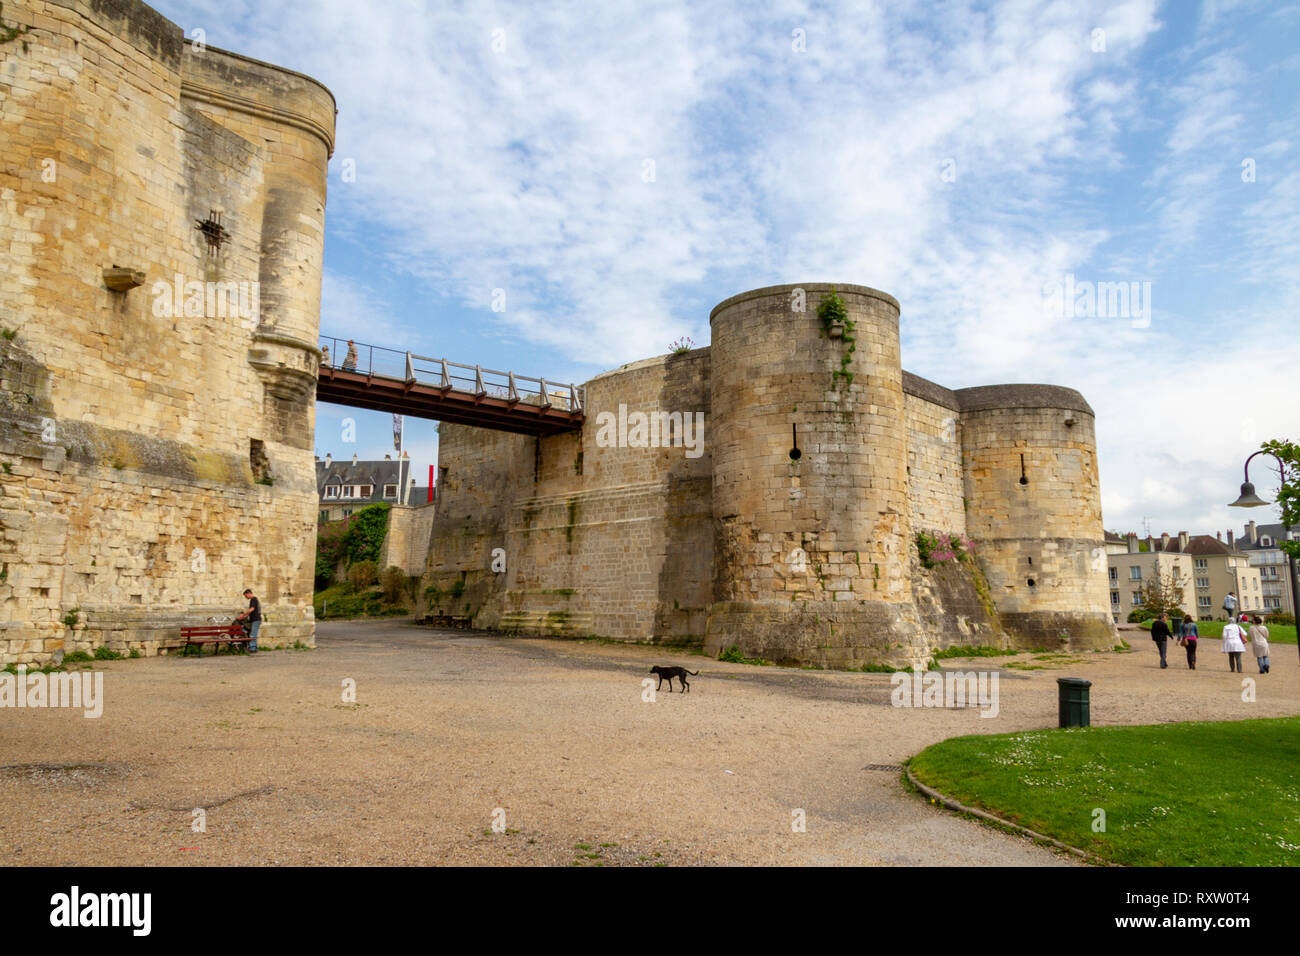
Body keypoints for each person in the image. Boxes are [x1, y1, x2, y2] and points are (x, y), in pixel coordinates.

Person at [235, 588, 261, 653]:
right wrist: (244, 616)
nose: (246, 597)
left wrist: (243, 615)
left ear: (248, 593)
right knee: (252, 633)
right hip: (254, 619)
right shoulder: (254, 599)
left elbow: (252, 609)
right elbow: (251, 612)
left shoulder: (253, 599)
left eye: (245, 596)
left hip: (256, 619)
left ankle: (252, 648)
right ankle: (254, 647)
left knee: (253, 634)